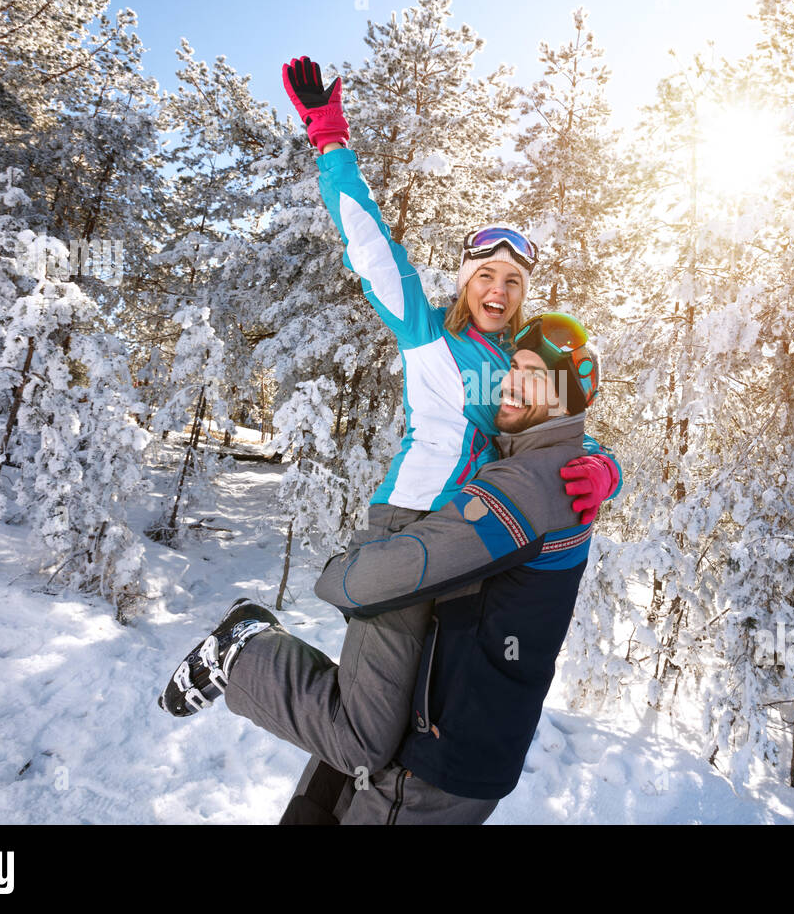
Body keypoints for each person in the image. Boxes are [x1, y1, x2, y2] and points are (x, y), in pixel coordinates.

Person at [156, 56, 621, 820]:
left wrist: (605, 469)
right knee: (367, 737)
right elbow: (370, 246)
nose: (498, 292)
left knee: (389, 733)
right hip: (412, 535)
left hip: (471, 559)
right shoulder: (425, 335)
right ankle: (244, 650)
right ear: (464, 280)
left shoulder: (519, 362)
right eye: (485, 276)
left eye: (512, 283)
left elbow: (556, 430)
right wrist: (331, 143)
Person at [166, 312, 607, 824]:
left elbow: (412, 565)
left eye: (534, 377)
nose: (511, 384)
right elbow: (412, 564)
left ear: (566, 400)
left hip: (441, 737)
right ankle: (247, 652)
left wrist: (338, 577)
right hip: (426, 746)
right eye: (514, 369)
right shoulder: (539, 468)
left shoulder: (534, 483)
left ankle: (248, 654)